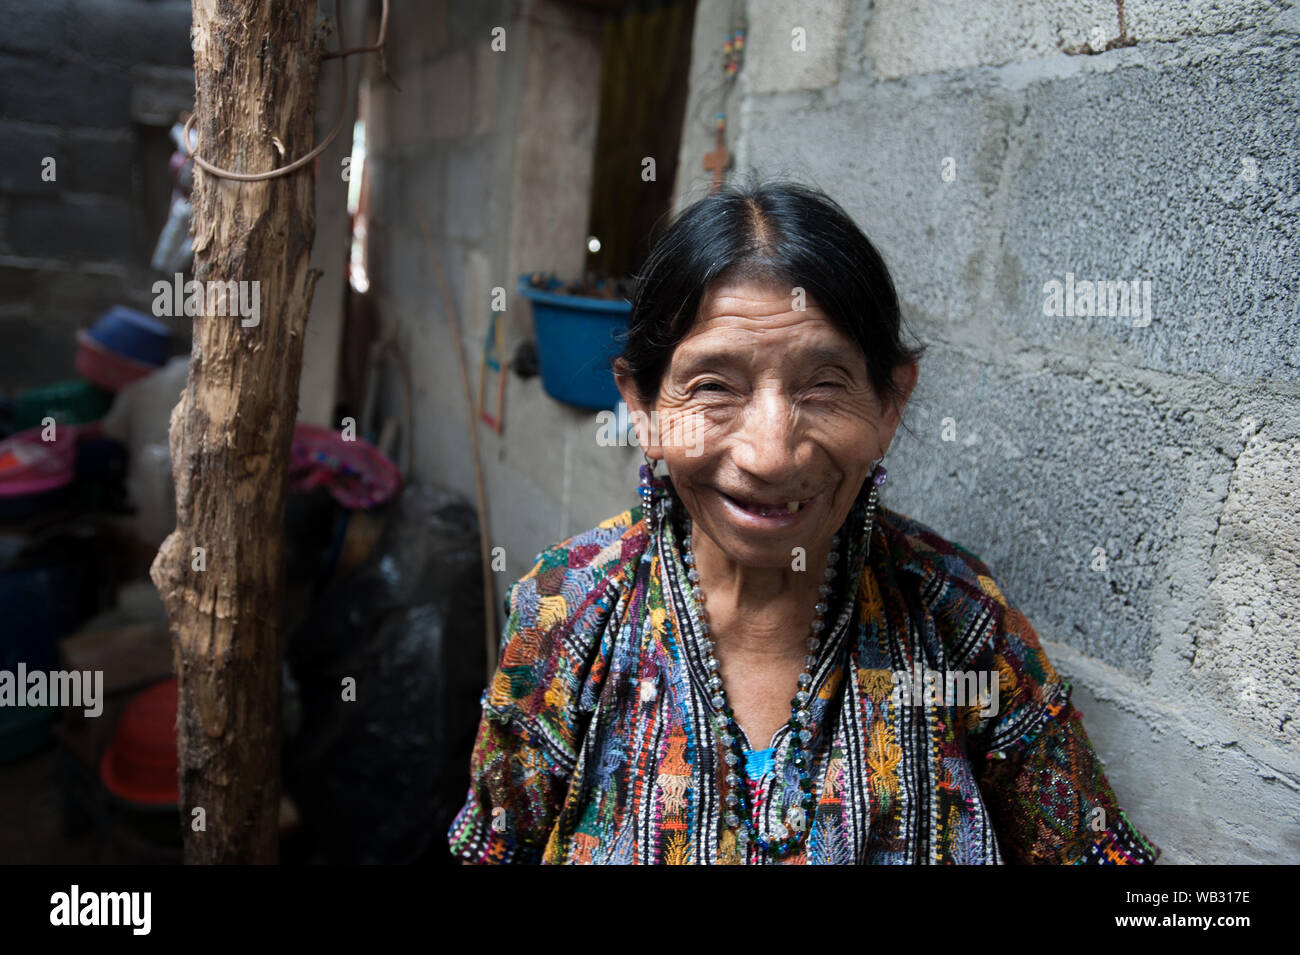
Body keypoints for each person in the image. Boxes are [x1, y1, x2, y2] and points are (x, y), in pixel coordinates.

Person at [447, 181, 1161, 865]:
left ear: (890, 406)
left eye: (823, 385)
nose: (770, 454)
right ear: (644, 408)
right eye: (714, 387)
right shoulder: (565, 609)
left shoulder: (958, 620)